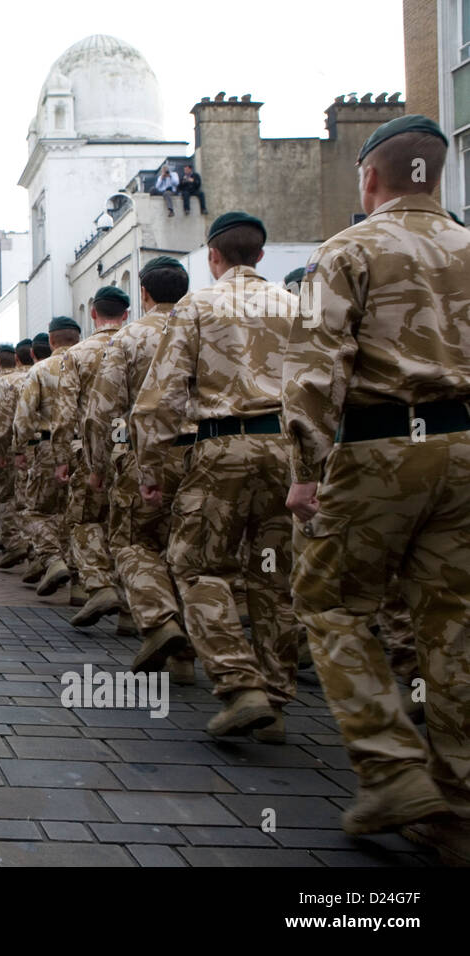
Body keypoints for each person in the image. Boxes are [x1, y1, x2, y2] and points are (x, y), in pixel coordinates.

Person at [283, 115, 470, 858]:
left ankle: (392, 770)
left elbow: (315, 368)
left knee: (330, 601)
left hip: (383, 448)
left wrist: (304, 472)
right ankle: (456, 806)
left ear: (369, 177)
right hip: (464, 449)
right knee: (454, 624)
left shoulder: (351, 249)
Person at [133, 212, 300, 741]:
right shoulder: (296, 306)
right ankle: (275, 694)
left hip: (221, 445)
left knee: (198, 565)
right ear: (261, 256)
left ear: (212, 256)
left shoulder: (198, 306)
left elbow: (162, 395)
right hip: (287, 447)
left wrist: (154, 467)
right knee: (275, 577)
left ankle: (238, 682)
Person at [81, 257, 196, 683]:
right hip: (202, 453)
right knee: (186, 553)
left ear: (144, 295)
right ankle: (184, 656)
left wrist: (97, 464)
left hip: (141, 453)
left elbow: (102, 409)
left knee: (133, 542)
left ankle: (159, 620)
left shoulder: (128, 338)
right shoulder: (203, 327)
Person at [53, 288, 129, 625]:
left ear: (93, 315)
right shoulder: (144, 342)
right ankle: (133, 613)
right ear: (126, 313)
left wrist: (61, 457)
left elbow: (66, 413)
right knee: (130, 531)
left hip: (91, 449)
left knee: (84, 521)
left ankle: (96, 586)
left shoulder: (77, 355)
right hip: (138, 449)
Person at [16, 318, 80, 593]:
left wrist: (19, 447)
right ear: (78, 338)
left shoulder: (41, 370)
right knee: (80, 519)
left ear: (51, 341)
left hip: (49, 448)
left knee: (35, 512)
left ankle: (53, 560)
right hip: (91, 447)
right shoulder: (95, 362)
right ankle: (82, 586)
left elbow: (24, 417)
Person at [0, 344, 26, 564]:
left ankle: (13, 542)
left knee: (4, 495)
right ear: (16, 359)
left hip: (10, 447)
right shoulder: (29, 377)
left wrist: (0, 451)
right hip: (46, 445)